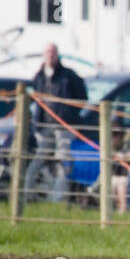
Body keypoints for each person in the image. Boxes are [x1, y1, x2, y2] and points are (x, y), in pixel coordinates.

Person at [23, 43, 87, 203]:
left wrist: (68, 114)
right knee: (39, 158)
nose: (50, 56)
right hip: (44, 126)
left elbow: (82, 98)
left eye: (53, 53)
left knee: (63, 160)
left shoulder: (68, 75)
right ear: (43, 55)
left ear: (57, 55)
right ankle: (26, 195)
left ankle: (58, 198)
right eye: (47, 53)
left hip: (63, 127)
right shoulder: (38, 77)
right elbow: (33, 99)